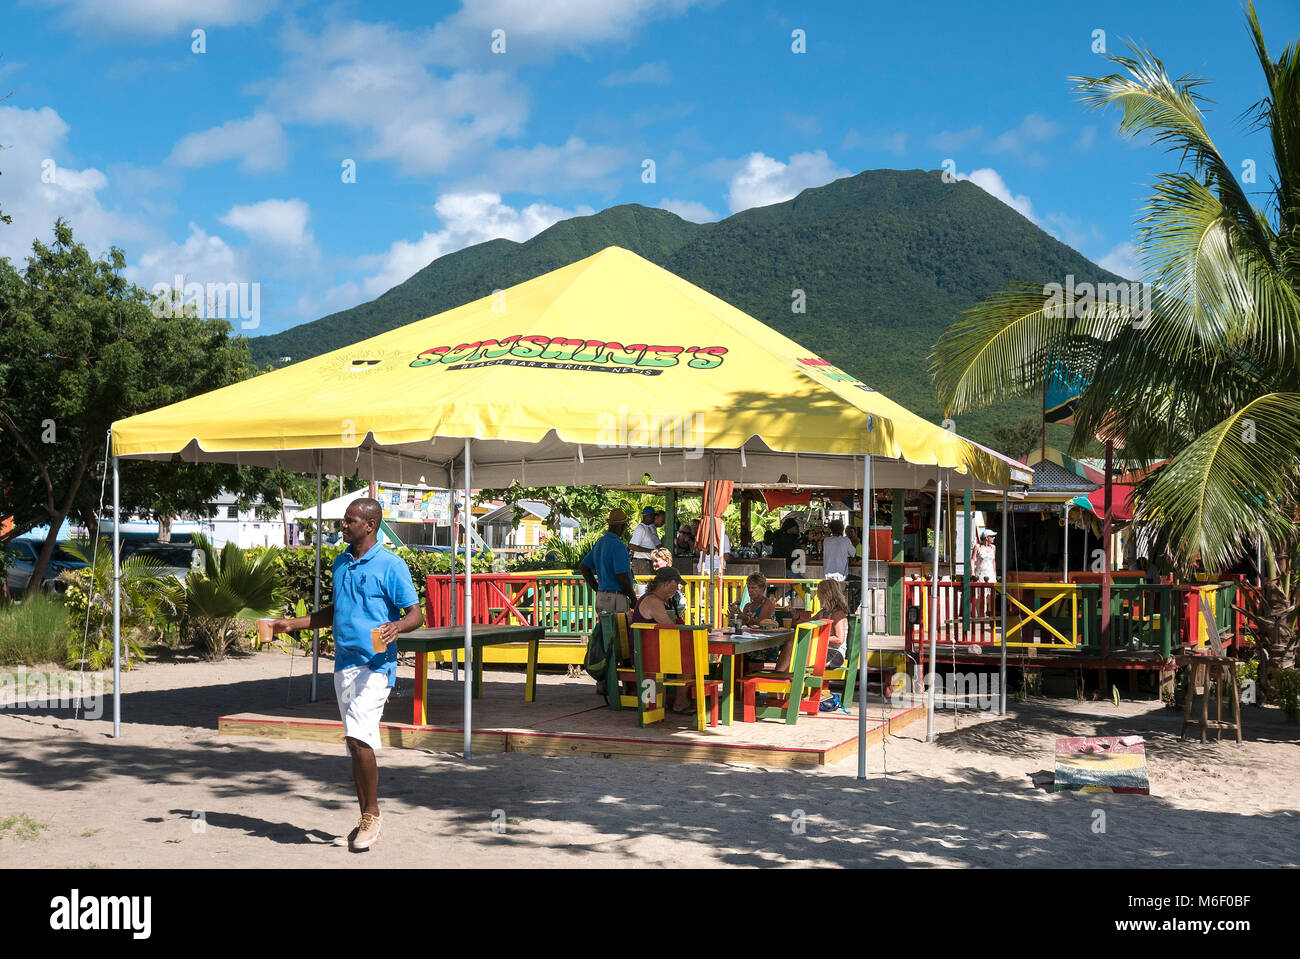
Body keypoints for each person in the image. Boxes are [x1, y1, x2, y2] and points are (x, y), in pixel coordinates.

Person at [268, 498, 423, 852]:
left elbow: (416, 614)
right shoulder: (341, 563)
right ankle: (364, 818)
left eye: (350, 520)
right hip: (345, 665)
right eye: (344, 520)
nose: (343, 525)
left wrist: (396, 627)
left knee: (359, 737)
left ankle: (372, 816)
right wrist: (292, 623)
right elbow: (336, 612)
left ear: (370, 525)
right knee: (354, 743)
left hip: (376, 665)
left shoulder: (391, 564)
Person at [580, 509, 638, 617]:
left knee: (606, 632)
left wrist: (597, 588)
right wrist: (633, 598)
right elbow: (622, 577)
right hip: (616, 598)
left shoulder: (600, 542)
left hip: (602, 597)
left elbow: (584, 567)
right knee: (619, 633)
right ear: (623, 526)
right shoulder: (618, 545)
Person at [815, 578, 851, 710]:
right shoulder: (823, 612)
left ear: (826, 594)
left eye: (819, 594)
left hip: (834, 653)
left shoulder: (837, 613)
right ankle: (814, 695)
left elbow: (839, 639)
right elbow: (808, 623)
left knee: (808, 663)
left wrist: (819, 637)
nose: (817, 597)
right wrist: (795, 616)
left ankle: (816, 696)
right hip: (822, 649)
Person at [970, 529, 998, 617]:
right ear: (986, 537)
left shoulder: (993, 547)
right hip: (980, 573)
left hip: (990, 573)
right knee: (979, 594)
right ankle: (980, 614)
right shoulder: (977, 547)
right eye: (992, 536)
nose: (993, 538)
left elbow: (993, 561)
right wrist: (972, 572)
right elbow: (972, 559)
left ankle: (990, 612)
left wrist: (995, 573)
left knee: (991, 594)